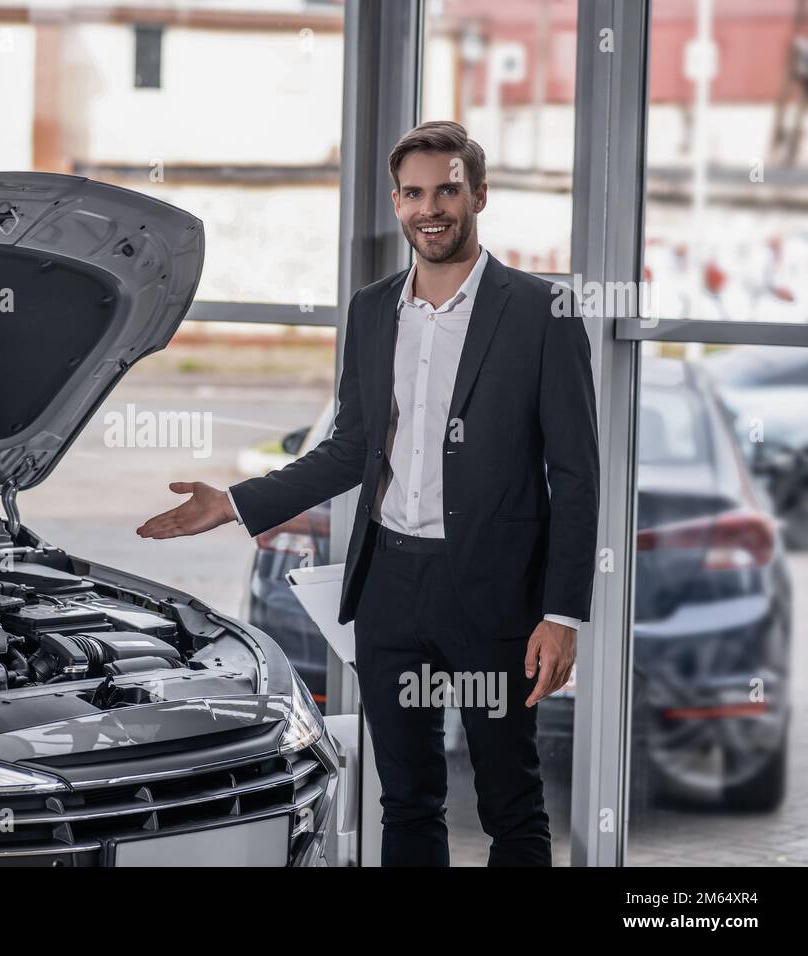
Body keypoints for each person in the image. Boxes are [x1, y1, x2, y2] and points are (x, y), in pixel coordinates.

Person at [136, 120, 599, 866]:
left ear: (478, 193)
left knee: (510, 803)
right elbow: (351, 448)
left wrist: (562, 614)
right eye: (414, 193)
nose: (432, 207)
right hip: (391, 590)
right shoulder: (374, 308)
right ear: (396, 203)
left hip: (494, 594)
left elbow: (577, 476)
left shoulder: (542, 313)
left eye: (448, 188)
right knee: (407, 801)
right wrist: (234, 501)